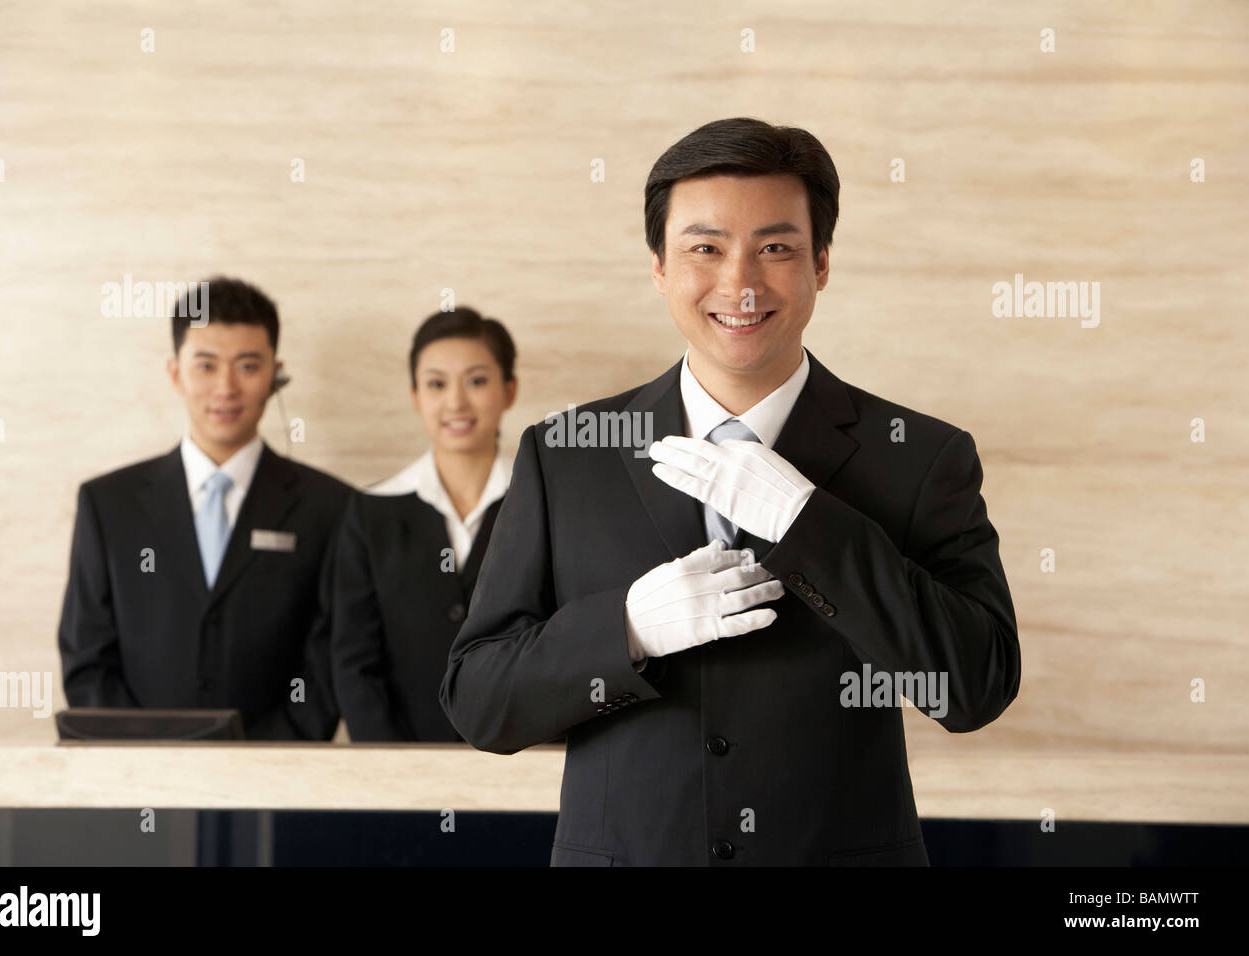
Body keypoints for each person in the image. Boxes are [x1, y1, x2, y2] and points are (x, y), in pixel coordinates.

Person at [441, 118, 1021, 865]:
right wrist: (623, 633)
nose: (740, 284)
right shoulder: (566, 454)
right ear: (658, 266)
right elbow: (480, 700)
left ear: (822, 264)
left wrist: (808, 523)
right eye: (705, 249)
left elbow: (972, 688)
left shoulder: (919, 456)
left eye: (775, 248)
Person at [58, 277, 351, 740]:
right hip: (139, 780)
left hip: (277, 782)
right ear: (176, 373)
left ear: (274, 374)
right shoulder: (108, 504)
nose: (226, 388)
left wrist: (258, 762)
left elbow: (329, 664)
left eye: (248, 366)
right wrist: (152, 760)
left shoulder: (332, 507)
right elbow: (87, 659)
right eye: (206, 366)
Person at [331, 307, 517, 741]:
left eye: (476, 380)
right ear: (415, 396)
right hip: (400, 774)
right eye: (436, 384)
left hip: (524, 770)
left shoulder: (546, 504)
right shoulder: (370, 512)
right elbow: (354, 661)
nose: (456, 402)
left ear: (509, 390)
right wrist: (394, 770)